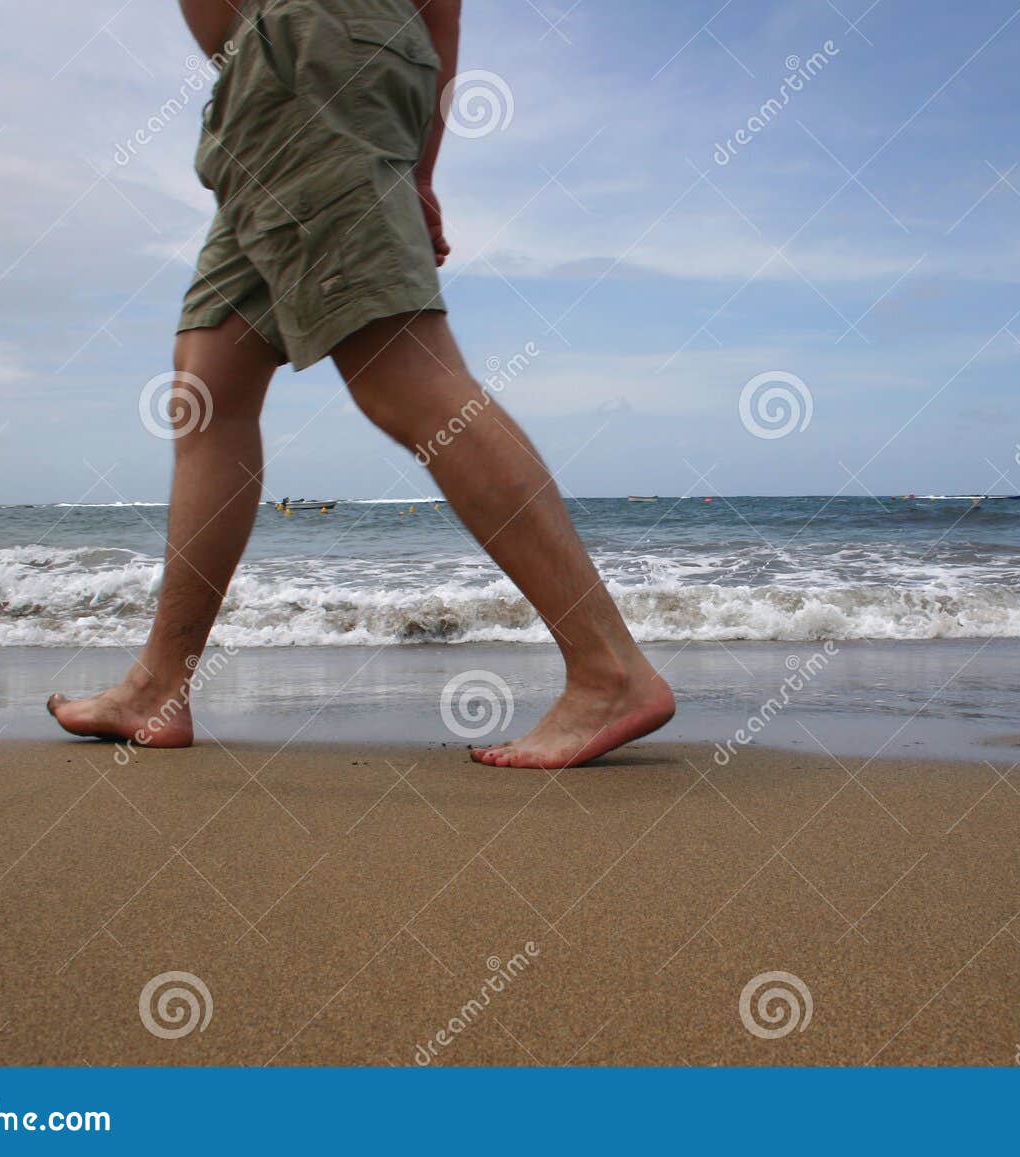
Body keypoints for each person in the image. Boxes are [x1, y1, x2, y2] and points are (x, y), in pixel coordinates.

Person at [48, 0, 673, 768]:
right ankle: (157, 685)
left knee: (402, 371)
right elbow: (442, 12)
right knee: (210, 384)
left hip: (308, 64)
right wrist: (420, 167)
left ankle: (609, 668)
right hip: (286, 81)